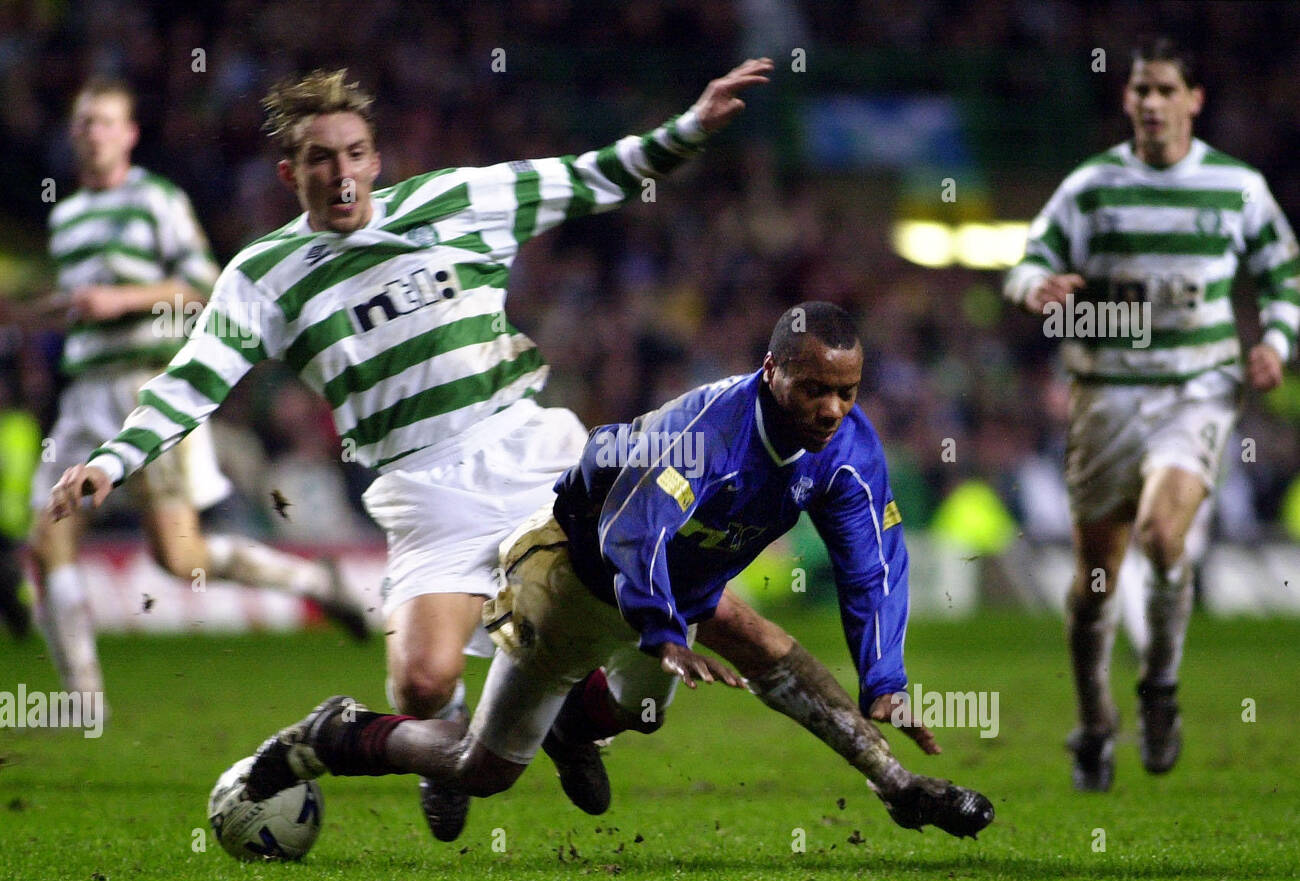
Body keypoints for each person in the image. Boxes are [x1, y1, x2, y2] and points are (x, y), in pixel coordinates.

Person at [47, 61, 778, 841]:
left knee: (654, 646)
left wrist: (690, 128)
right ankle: (449, 739)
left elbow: (589, 177)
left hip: (531, 448)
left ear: (374, 158)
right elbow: (192, 381)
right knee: (422, 684)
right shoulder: (261, 276)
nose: (340, 173)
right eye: (320, 159)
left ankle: (574, 725)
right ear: (290, 172)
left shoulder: (455, 201)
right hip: (424, 485)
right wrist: (112, 459)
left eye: (354, 153)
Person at [240, 302, 995, 841]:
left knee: (659, 702)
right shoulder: (708, 434)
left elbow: (873, 566)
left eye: (846, 392)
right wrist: (664, 628)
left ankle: (895, 789)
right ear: (772, 373)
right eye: (814, 390)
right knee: (485, 767)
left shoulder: (848, 447)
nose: (832, 409)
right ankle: (333, 736)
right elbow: (635, 529)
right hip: (580, 574)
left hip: (674, 590)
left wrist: (885, 676)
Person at [6, 78, 367, 706]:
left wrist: (123, 299)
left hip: (149, 390)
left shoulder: (156, 201)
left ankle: (315, 579)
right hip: (83, 396)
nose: (91, 134)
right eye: (83, 124)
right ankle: (84, 701)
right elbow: (79, 306)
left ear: (129, 134)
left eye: (104, 122)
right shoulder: (65, 217)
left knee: (178, 557)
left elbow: (204, 284)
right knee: (49, 539)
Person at [1003, 38, 1299, 790]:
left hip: (1197, 388)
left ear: (1193, 99)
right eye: (1140, 90)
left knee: (1165, 537)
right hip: (1105, 395)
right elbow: (1025, 261)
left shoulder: (1237, 186)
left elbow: (1283, 270)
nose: (1150, 103)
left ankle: (1159, 688)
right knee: (1096, 577)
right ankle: (1093, 721)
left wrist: (1277, 340)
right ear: (1127, 98)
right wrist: (1035, 288)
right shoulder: (1093, 187)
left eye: (1166, 89)